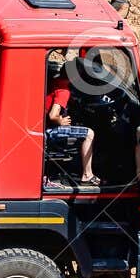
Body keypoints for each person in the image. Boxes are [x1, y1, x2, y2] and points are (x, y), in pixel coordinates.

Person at [45, 51, 98, 187]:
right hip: (48, 132)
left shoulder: (56, 82)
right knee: (89, 133)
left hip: (42, 126)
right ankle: (87, 175)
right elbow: (52, 115)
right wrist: (60, 121)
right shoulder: (64, 91)